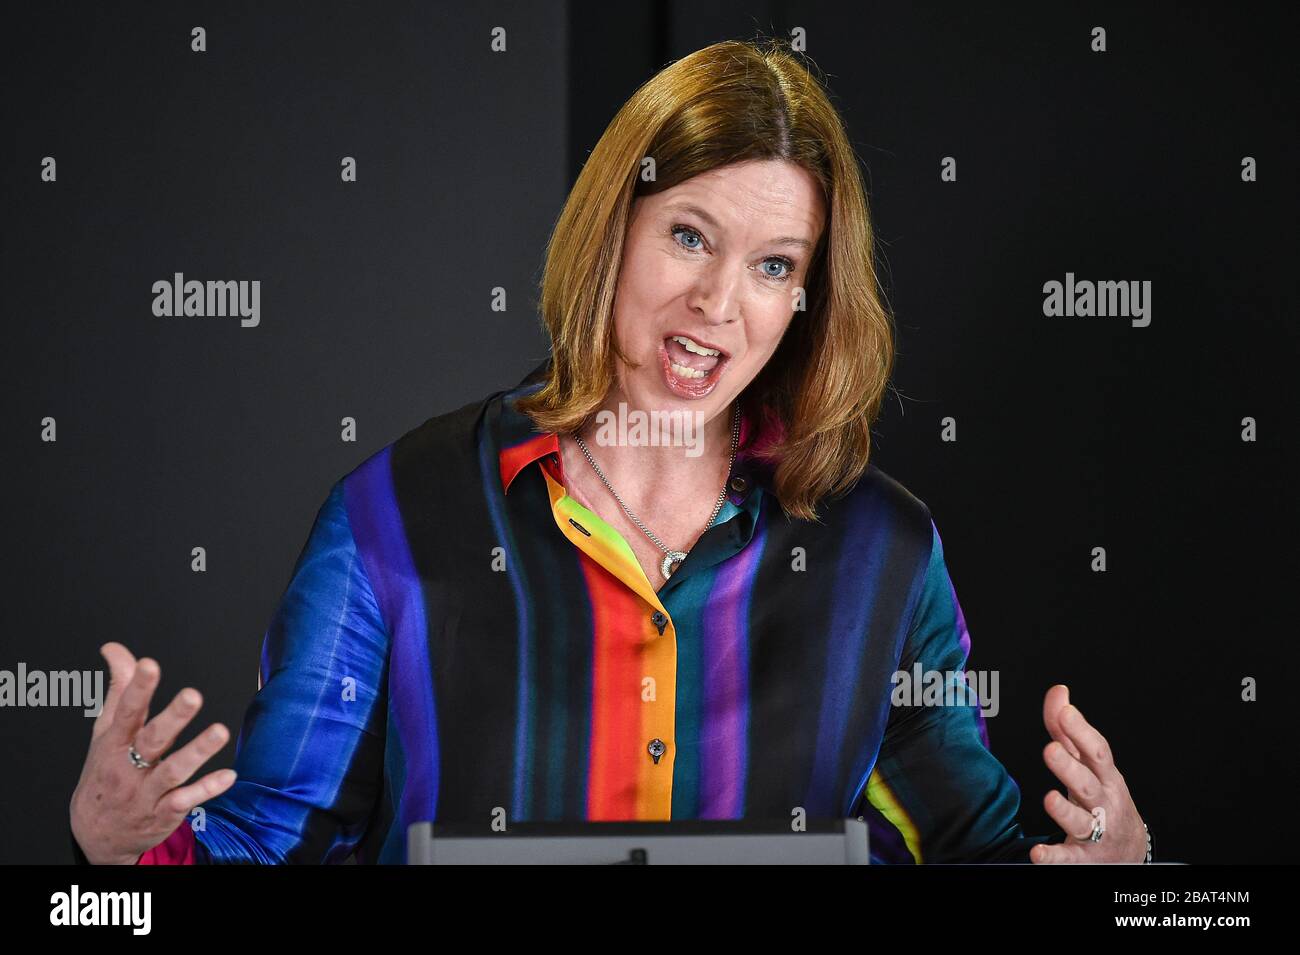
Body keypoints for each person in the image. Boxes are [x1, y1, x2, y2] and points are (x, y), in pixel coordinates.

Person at [69, 37, 1149, 865]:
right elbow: (264, 852)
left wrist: (1130, 883)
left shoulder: (882, 552)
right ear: (611, 231)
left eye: (774, 266)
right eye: (689, 235)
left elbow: (979, 855)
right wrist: (116, 861)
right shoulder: (390, 520)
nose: (718, 304)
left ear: (807, 300)